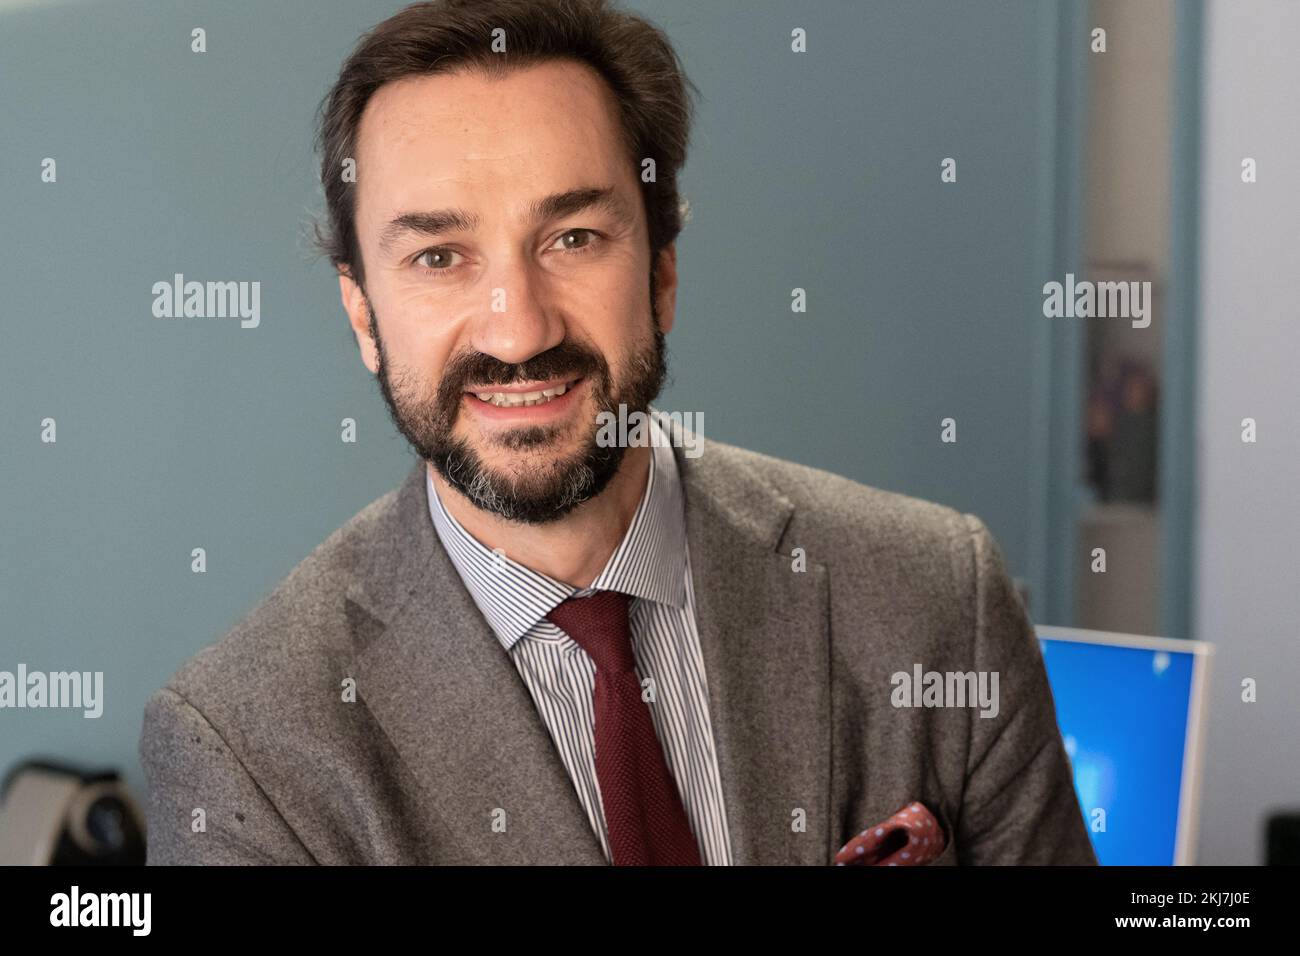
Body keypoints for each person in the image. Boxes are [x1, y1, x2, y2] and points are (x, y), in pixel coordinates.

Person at [139, 0, 1096, 866]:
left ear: (662, 269)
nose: (520, 330)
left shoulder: (938, 599)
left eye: (574, 239)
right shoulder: (245, 748)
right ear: (362, 315)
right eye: (440, 256)